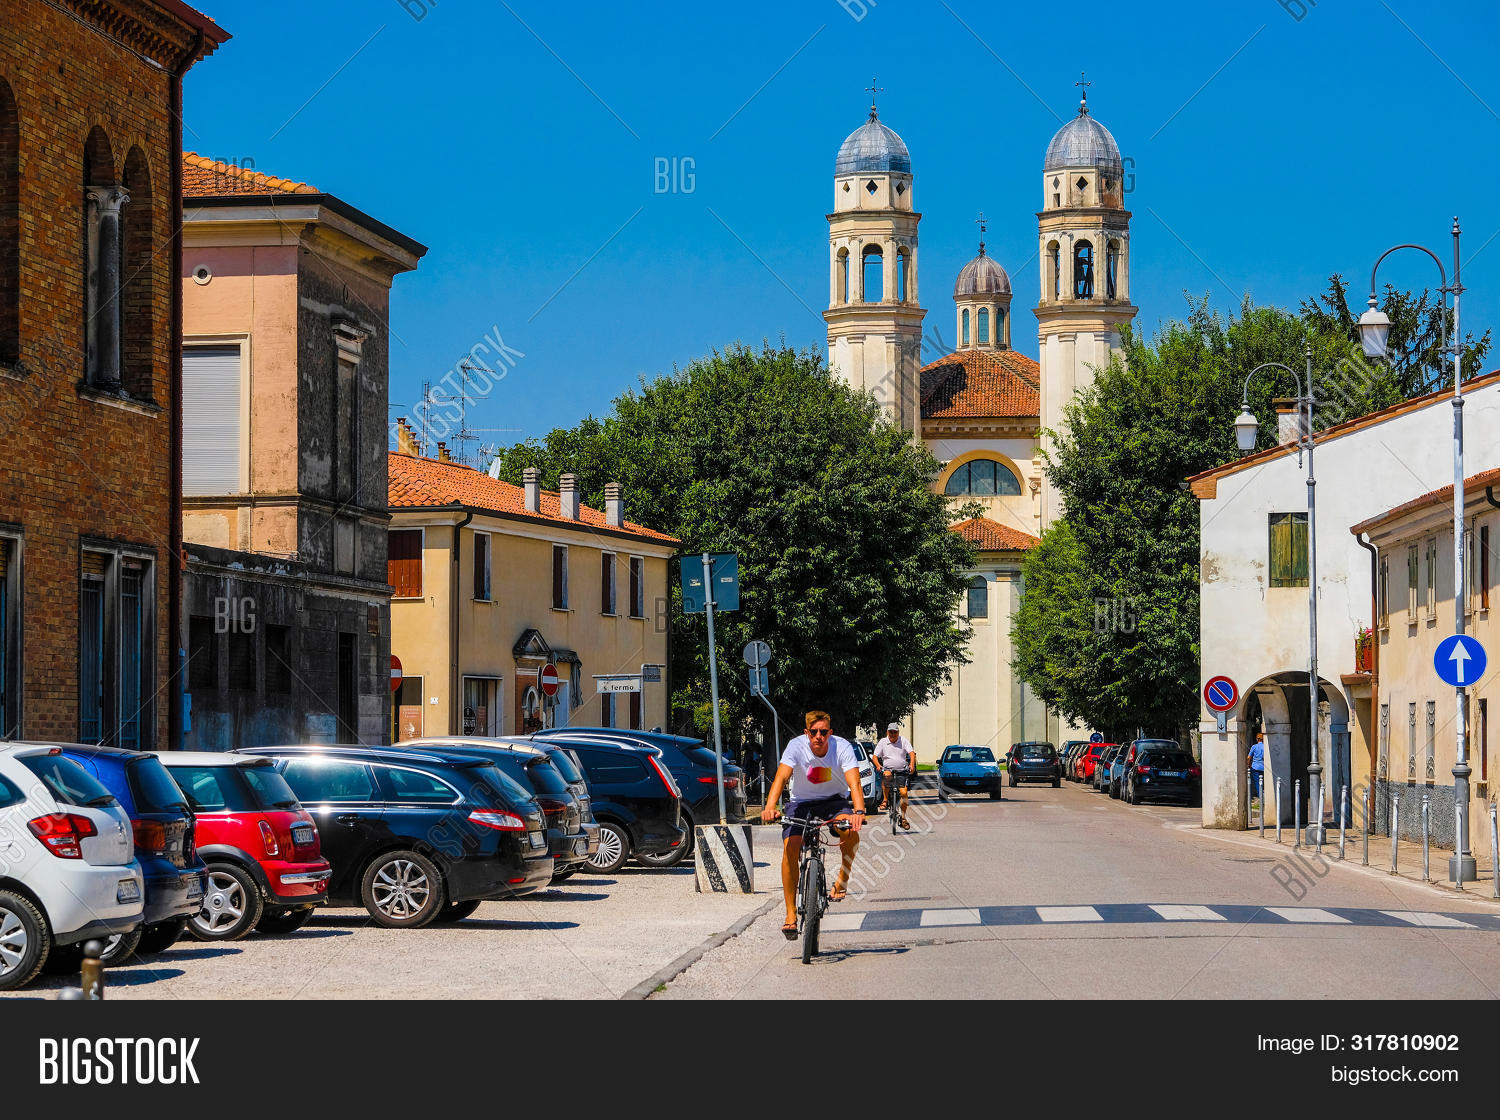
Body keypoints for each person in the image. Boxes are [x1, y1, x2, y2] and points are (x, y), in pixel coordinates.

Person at [760, 710, 865, 940]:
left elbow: (854, 780)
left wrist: (858, 811)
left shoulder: (842, 747)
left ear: (830, 732)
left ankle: (843, 876)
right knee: (791, 846)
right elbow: (781, 777)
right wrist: (770, 807)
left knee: (849, 831)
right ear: (806, 733)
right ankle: (790, 915)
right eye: (814, 732)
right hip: (802, 804)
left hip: (834, 802)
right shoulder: (796, 746)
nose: (819, 736)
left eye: (824, 732)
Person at [873, 721, 915, 829]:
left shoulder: (903, 740)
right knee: (886, 775)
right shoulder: (883, 742)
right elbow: (875, 757)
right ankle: (885, 799)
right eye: (890, 732)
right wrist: (878, 765)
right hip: (888, 769)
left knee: (904, 793)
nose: (892, 734)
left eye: (895, 732)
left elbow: (911, 753)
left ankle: (903, 817)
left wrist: (911, 764)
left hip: (901, 771)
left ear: (898, 732)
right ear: (887, 732)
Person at [1247, 730, 1266, 805]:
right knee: (1264, 784)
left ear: (1257, 739)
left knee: (1257, 784)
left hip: (1255, 767)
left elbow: (1248, 757)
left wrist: (1249, 765)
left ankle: (1261, 799)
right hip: (1264, 768)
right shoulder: (1265, 747)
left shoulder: (1254, 747)